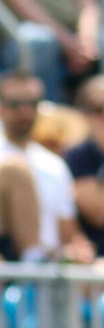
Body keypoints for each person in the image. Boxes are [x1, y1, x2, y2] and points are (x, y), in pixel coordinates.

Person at [0, 71, 94, 263]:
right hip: (5, 266)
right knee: (15, 169)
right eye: (15, 104)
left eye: (33, 104)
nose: (25, 112)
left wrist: (79, 251)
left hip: (50, 271)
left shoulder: (55, 165)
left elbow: (68, 232)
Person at [0, 0, 101, 102]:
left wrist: (86, 39)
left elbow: (87, 0)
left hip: (75, 33)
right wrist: (65, 40)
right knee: (40, 41)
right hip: (34, 28)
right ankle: (46, 112)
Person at [65, 75, 104, 256]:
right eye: (99, 109)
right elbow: (99, 213)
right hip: (95, 260)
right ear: (86, 115)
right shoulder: (78, 156)